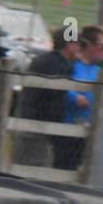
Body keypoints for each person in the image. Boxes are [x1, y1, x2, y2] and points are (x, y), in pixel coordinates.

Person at [15, 25, 78, 167]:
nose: (79, 47)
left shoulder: (42, 59)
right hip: (41, 125)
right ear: (69, 44)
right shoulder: (60, 65)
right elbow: (53, 95)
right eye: (77, 43)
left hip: (28, 118)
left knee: (22, 163)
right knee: (37, 166)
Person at [57, 24, 103, 170]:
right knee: (64, 165)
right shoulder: (72, 65)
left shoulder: (100, 71)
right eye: (102, 47)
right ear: (89, 45)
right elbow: (61, 87)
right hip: (68, 126)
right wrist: (75, 97)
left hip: (90, 128)